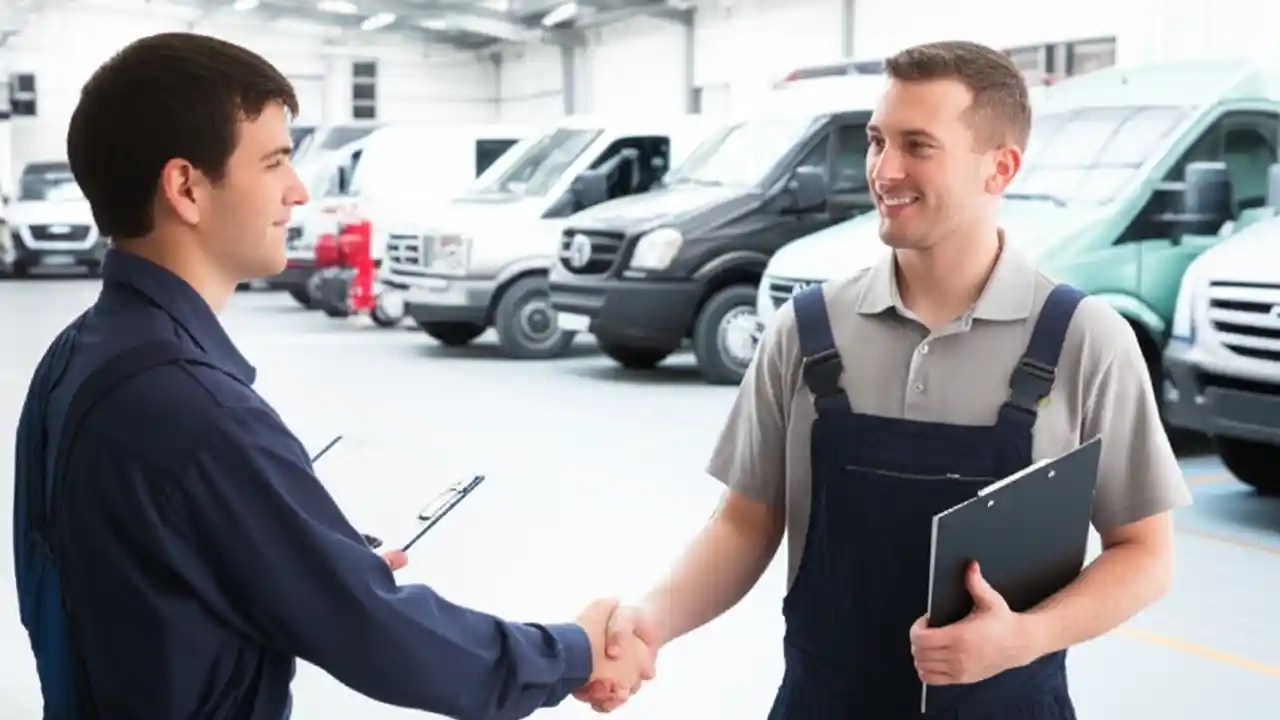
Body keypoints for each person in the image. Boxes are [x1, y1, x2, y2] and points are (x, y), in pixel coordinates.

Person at [12, 32, 650, 719]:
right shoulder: (194, 411)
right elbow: (376, 636)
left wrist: (307, 557)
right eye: (275, 162)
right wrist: (572, 651)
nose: (298, 189)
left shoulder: (72, 359)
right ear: (187, 188)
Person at [577, 40, 1193, 717]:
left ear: (1001, 168)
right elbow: (744, 523)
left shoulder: (1085, 340)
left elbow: (1144, 553)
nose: (884, 169)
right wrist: (650, 623)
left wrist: (1025, 637)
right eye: (876, 141)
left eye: (918, 146)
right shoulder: (807, 331)